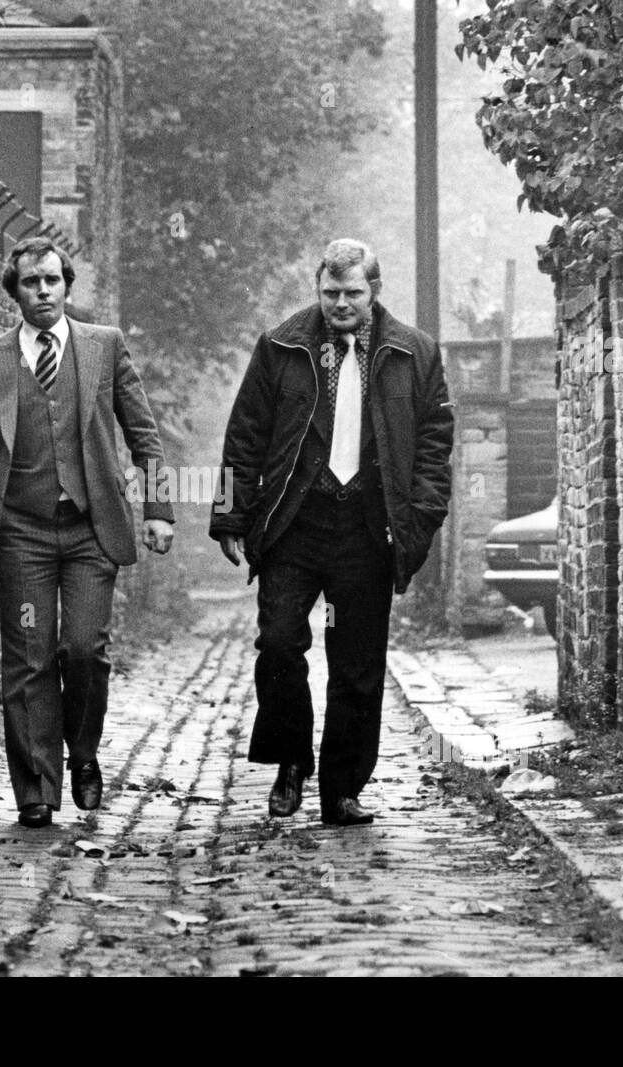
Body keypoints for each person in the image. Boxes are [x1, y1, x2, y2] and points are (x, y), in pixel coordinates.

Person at [210, 239, 453, 826]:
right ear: (317, 289)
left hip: (369, 531)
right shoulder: (281, 345)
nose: (340, 304)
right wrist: (228, 514)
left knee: (356, 663)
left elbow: (434, 447)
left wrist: (418, 524)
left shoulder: (415, 353)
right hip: (296, 524)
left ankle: (343, 788)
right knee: (279, 645)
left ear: (374, 292)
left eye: (353, 293)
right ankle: (291, 759)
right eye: (330, 293)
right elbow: (243, 433)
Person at [0, 237, 175, 828]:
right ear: (14, 291)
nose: (42, 291)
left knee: (84, 649)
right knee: (28, 656)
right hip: (22, 533)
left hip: (90, 531)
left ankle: (85, 753)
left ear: (67, 285)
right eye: (29, 282)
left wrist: (157, 510)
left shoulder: (104, 346)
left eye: (51, 280)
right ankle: (36, 791)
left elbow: (143, 432)